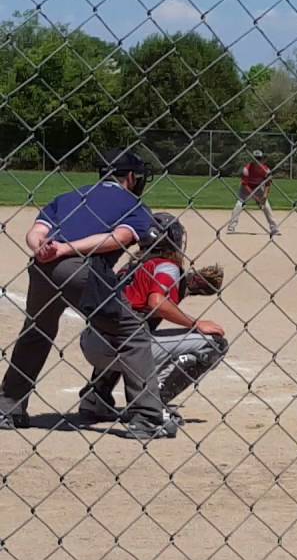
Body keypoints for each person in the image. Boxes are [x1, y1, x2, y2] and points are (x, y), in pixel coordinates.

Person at [0, 149, 171, 439]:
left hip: (41, 268)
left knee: (37, 331)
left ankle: (8, 407)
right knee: (131, 333)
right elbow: (119, 238)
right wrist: (67, 249)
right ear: (130, 177)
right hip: (82, 269)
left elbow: (36, 231)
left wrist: (41, 247)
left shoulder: (70, 197)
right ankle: (147, 418)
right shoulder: (134, 204)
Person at [79, 213, 229, 427]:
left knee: (135, 324)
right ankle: (153, 402)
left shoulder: (130, 267)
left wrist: (183, 288)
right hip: (123, 348)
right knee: (215, 344)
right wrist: (195, 323)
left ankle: (96, 397)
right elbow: (156, 302)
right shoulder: (167, 265)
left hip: (92, 341)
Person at [226, 149, 280, 236]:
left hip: (259, 189)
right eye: (255, 158)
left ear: (262, 159)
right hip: (246, 190)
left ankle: (274, 229)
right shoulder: (246, 169)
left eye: (259, 158)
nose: (257, 160)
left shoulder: (266, 170)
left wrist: (265, 195)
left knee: (266, 207)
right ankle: (231, 227)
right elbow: (245, 185)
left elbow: (268, 183)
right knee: (239, 205)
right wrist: (256, 198)